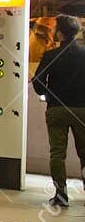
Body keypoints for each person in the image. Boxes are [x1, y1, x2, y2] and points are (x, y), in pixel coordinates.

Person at [32, 13, 85, 210]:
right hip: (82, 109)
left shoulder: (51, 55)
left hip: (57, 109)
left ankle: (61, 195)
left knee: (57, 153)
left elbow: (37, 83)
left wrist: (48, 94)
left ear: (60, 33)